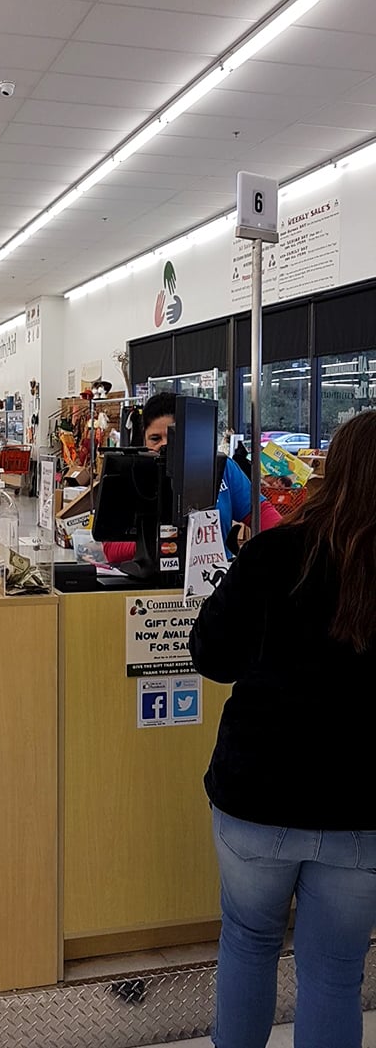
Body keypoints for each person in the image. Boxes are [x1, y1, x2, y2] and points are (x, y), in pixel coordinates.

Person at [188, 410, 376, 1048]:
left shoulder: (274, 552)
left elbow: (211, 655)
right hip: (361, 808)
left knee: (248, 942)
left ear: (334, 471)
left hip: (256, 796)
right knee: (334, 972)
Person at [103, 392, 280, 566]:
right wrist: (166, 542)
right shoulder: (131, 474)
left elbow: (263, 514)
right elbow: (112, 549)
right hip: (149, 585)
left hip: (215, 579)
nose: (164, 445)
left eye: (173, 437)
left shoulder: (222, 468)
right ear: (144, 439)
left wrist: (291, 541)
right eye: (155, 438)